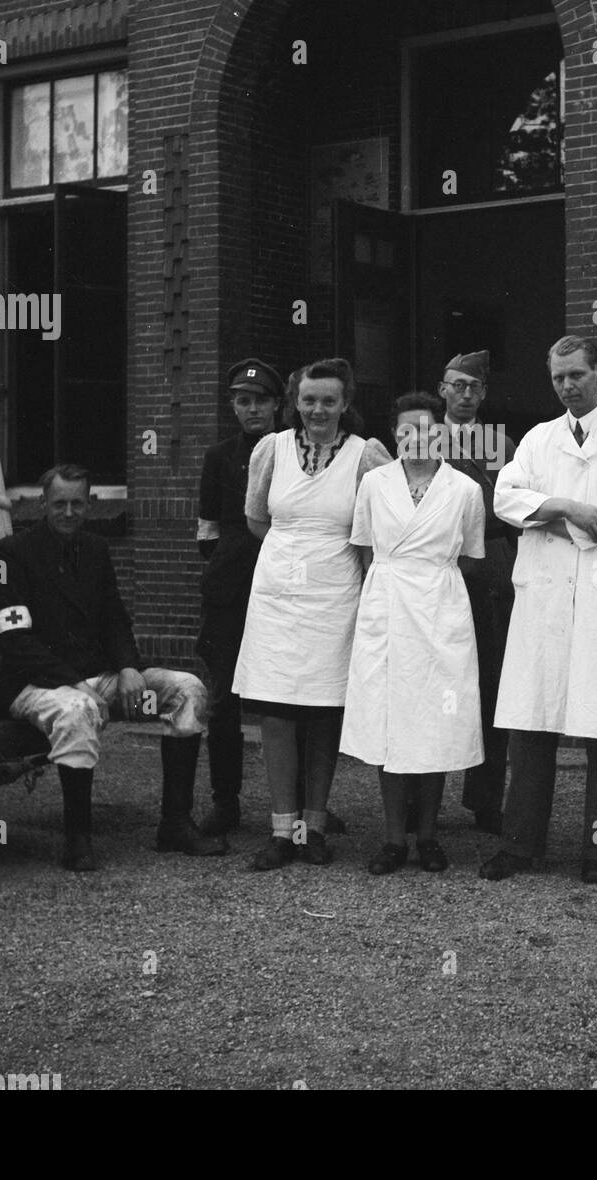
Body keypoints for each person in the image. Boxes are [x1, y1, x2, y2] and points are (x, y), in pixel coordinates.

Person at [479, 336, 597, 886]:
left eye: (577, 374)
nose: (567, 386)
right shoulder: (536, 439)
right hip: (545, 596)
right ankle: (520, 845)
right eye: (558, 378)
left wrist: (544, 516)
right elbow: (505, 500)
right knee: (533, 721)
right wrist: (571, 508)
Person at [0, 465, 223, 871]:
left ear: (90, 504)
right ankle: (78, 840)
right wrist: (75, 683)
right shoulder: (10, 554)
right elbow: (14, 642)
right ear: (42, 503)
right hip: (38, 685)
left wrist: (130, 668)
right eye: (59, 503)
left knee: (187, 689)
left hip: (102, 678)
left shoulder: (96, 549)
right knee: (77, 711)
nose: (68, 512)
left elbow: (115, 618)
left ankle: (175, 825)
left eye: (77, 503)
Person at [233, 357, 390, 870]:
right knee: (275, 711)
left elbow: (374, 527)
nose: (318, 410)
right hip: (277, 593)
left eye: (329, 400)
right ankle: (281, 831)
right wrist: (293, 556)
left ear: (345, 404)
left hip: (336, 594)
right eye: (308, 400)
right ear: (294, 404)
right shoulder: (270, 449)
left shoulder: (367, 455)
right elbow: (257, 518)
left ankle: (314, 828)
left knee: (324, 711)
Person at [341, 393, 486, 873]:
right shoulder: (374, 484)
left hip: (441, 606)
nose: (416, 439)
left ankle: (427, 835)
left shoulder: (464, 489)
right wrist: (390, 588)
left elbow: (467, 554)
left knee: (435, 722)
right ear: (395, 434)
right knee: (390, 720)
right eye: (406, 430)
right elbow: (364, 549)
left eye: (425, 430)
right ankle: (392, 838)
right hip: (387, 606)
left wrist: (430, 579)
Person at [194, 358, 284, 836]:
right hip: (231, 591)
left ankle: (303, 806)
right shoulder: (219, 457)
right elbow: (207, 530)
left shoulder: (292, 451)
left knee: (293, 698)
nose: (252, 409)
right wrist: (230, 562)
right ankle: (225, 801)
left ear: (276, 405)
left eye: (261, 400)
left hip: (286, 589)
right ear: (233, 406)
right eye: (242, 401)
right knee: (225, 699)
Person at [439, 349, 518, 835]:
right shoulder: (423, 439)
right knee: (439, 680)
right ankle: (420, 798)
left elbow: (510, 510)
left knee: (491, 680)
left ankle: (486, 799)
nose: (465, 395)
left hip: (490, 565)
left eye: (474, 387)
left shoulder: (502, 444)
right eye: (457, 385)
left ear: (484, 393)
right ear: (443, 389)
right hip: (441, 566)